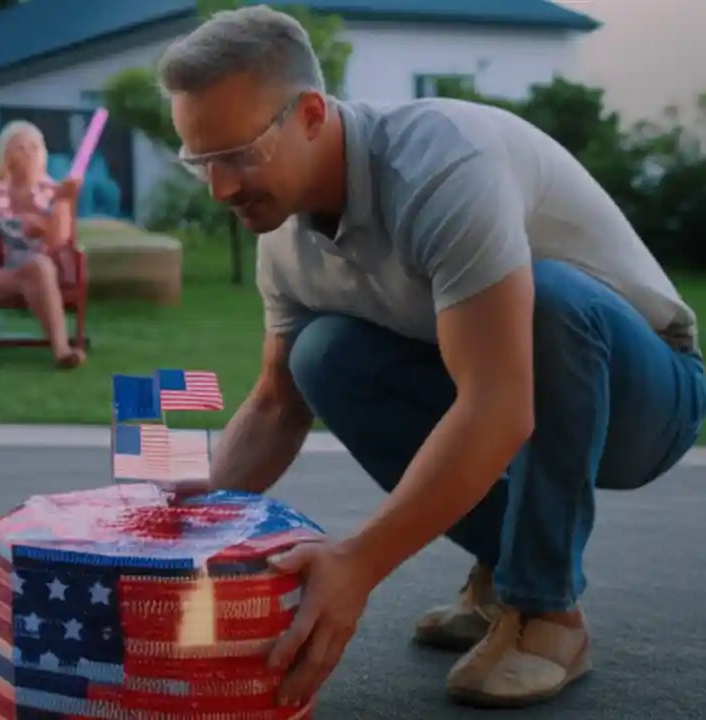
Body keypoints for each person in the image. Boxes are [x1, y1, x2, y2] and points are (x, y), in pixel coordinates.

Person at [160, 5, 705, 710]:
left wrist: (355, 565)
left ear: (312, 115)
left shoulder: (442, 164)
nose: (220, 188)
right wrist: (192, 515)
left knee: (550, 301)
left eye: (239, 153)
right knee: (320, 357)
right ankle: (501, 580)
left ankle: (547, 612)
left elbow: (498, 405)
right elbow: (274, 405)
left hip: (647, 401)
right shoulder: (285, 244)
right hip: (509, 392)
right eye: (200, 159)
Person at [0, 121, 85, 368]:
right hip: (8, 270)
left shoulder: (55, 191)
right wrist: (40, 222)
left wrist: (62, 204)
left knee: (40, 268)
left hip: (45, 269)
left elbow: (58, 240)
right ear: (6, 156)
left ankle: (61, 351)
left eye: (34, 147)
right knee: (34, 269)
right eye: (20, 147)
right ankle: (61, 348)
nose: (28, 153)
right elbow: (16, 233)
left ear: (44, 154)